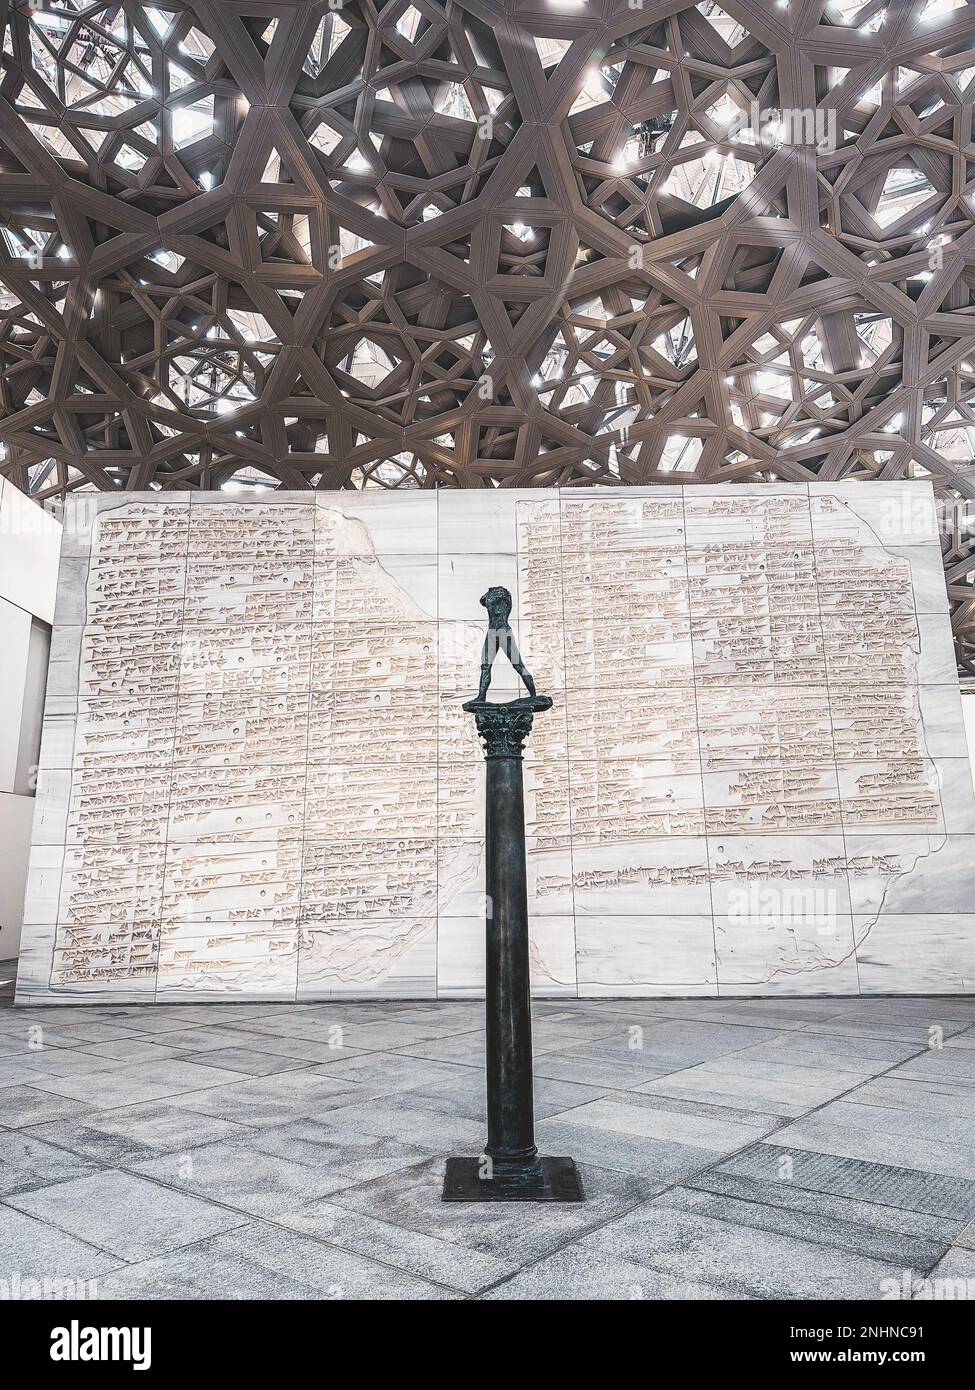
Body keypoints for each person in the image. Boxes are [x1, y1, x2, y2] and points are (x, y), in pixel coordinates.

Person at [475, 585, 537, 701]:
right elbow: (482, 601)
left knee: (518, 665)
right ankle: (481, 697)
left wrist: (490, 594)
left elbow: (486, 601)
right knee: (485, 666)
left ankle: (533, 695)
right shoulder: (491, 597)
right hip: (492, 632)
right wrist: (488, 594)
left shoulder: (503, 597)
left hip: (503, 631)